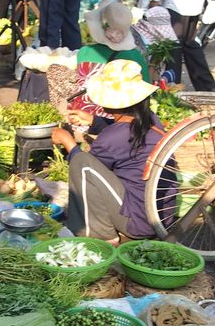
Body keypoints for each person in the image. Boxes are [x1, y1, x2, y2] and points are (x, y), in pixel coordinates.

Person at [51, 58, 174, 241]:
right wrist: (94, 121)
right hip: (162, 216)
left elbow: (89, 172)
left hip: (139, 223)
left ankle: (102, 234)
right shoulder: (150, 119)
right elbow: (126, 134)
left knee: (81, 163)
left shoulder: (111, 139)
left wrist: (68, 142)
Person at [67, 0, 150, 124]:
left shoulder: (84, 53)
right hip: (118, 122)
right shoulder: (135, 56)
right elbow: (145, 93)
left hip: (82, 118)